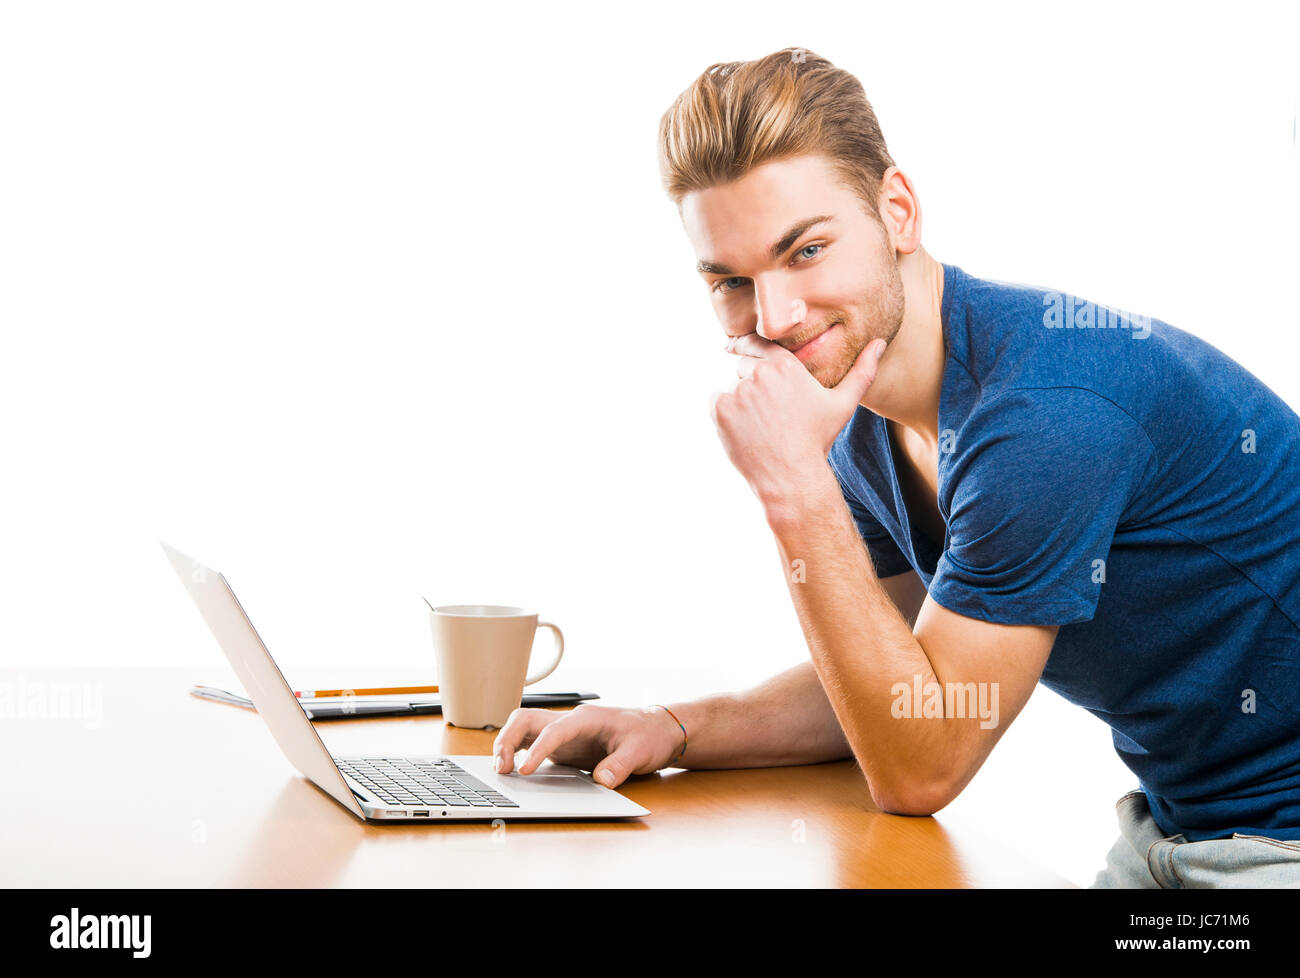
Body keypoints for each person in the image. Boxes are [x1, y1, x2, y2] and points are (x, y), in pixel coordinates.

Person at [491, 46, 1300, 887]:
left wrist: (791, 486)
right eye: (731, 281)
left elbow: (919, 766)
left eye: (805, 251)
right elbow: (884, 692)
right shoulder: (862, 416)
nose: (773, 318)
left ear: (900, 211)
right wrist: (671, 727)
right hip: (1179, 837)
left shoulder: (1042, 416)